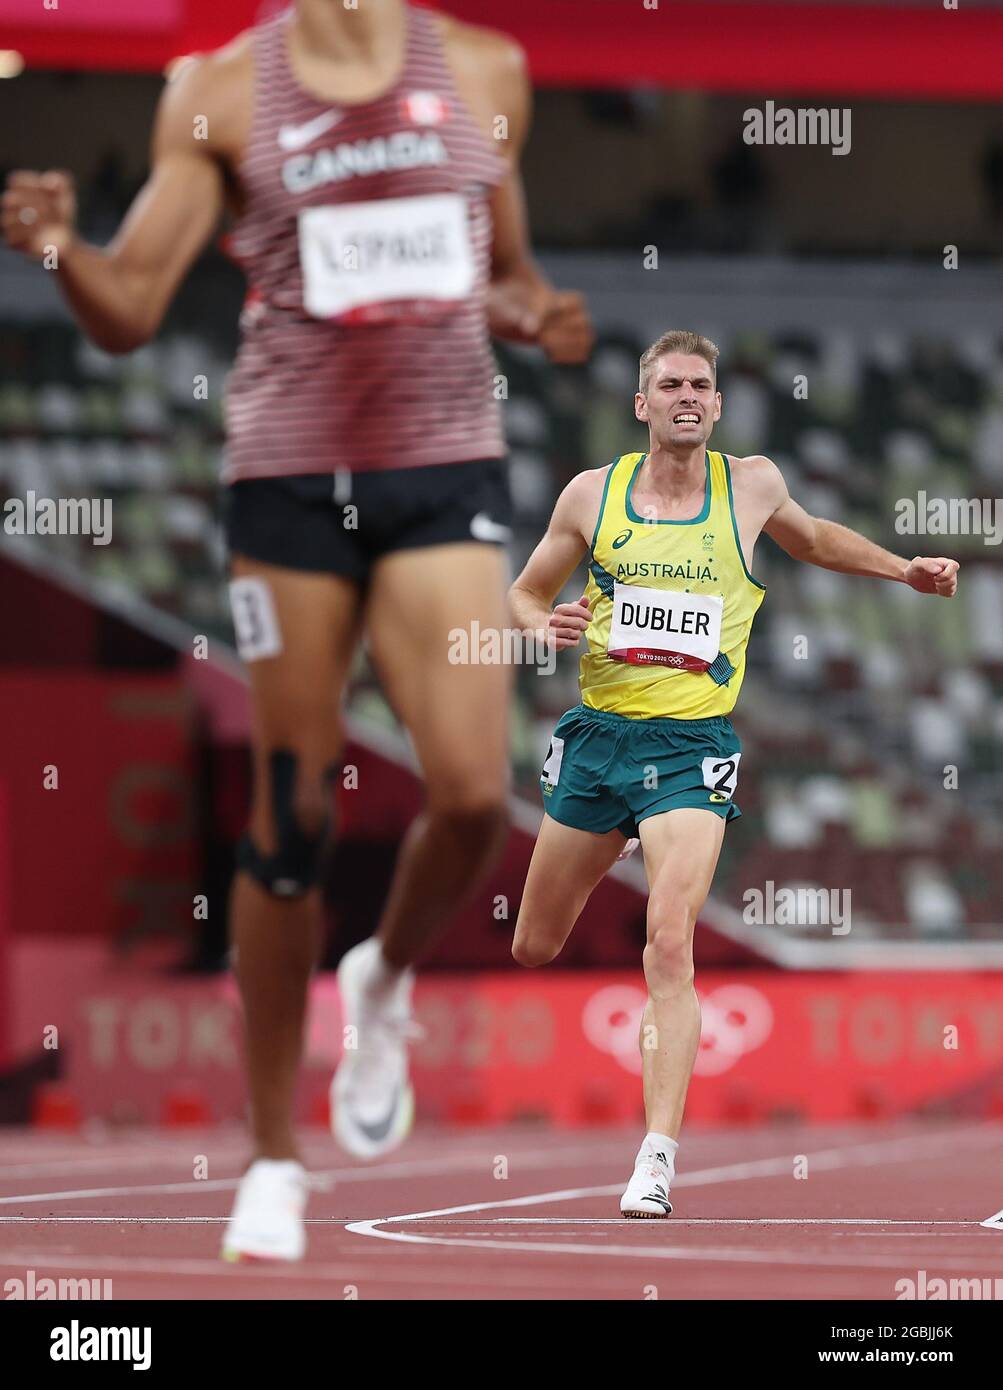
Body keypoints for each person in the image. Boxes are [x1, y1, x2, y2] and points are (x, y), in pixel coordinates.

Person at [2, 0, 593, 1261]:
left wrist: (536, 312)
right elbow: (128, 309)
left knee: (478, 794)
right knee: (294, 812)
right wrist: (57, 246)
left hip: (444, 472)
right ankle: (273, 1157)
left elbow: (498, 269)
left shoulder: (488, 70)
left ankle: (380, 975)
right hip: (289, 479)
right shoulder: (214, 91)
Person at [508, 329, 959, 1218]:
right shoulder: (589, 497)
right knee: (532, 943)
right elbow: (525, 590)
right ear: (641, 404)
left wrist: (901, 568)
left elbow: (816, 539)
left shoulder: (749, 485)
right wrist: (533, 623)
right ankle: (613, 842)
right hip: (598, 742)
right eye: (668, 384)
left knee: (668, 937)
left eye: (700, 386)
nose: (685, 396)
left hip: (689, 750)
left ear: (716, 405)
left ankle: (655, 1159)